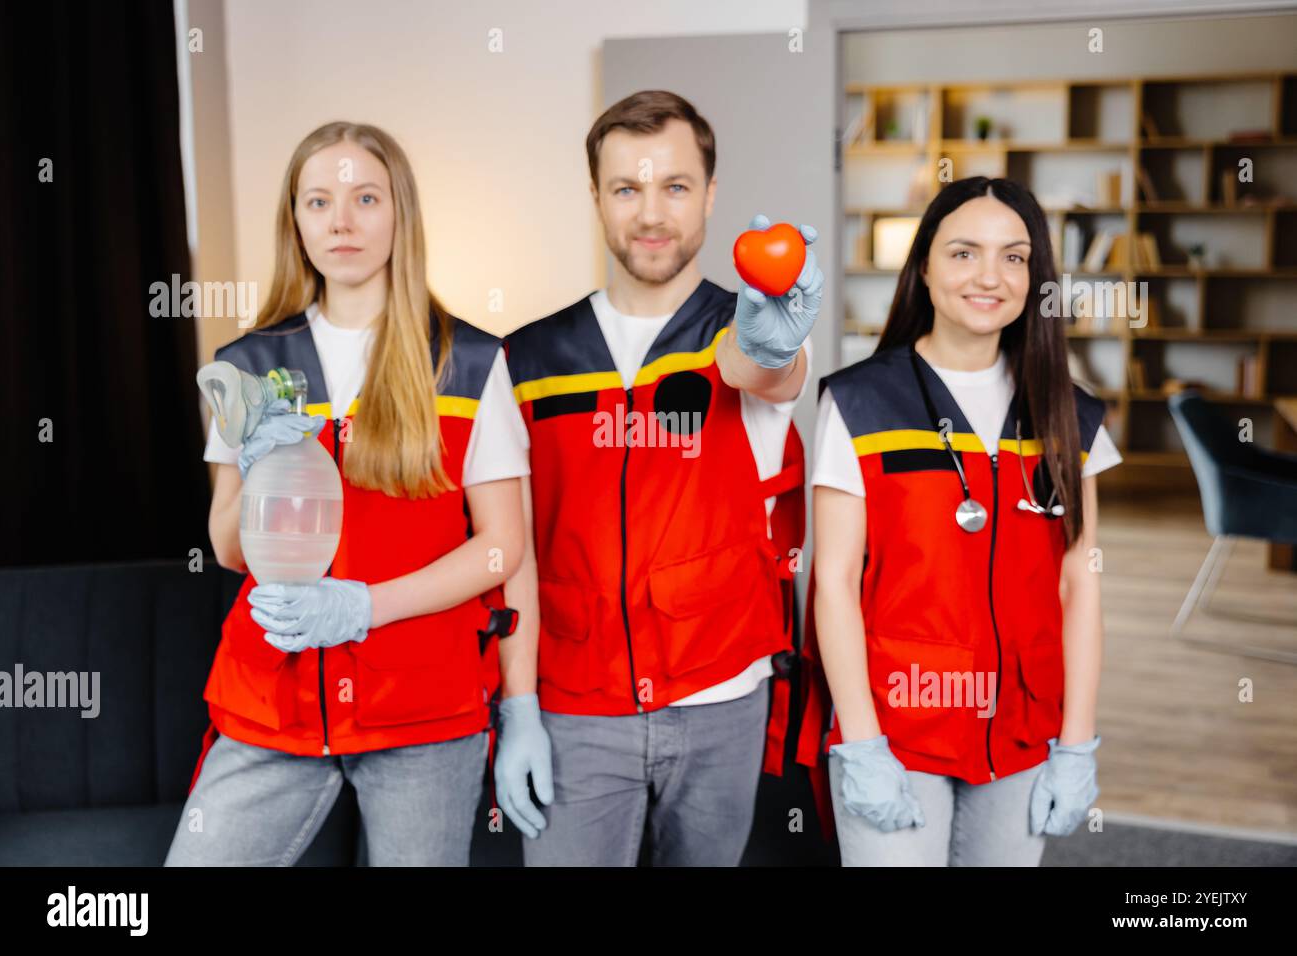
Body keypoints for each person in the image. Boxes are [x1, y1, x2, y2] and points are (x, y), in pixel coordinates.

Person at [165, 121, 546, 866]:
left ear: (399, 213)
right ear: (296, 222)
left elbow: (503, 546)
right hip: (273, 701)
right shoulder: (248, 366)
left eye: (365, 198)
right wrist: (266, 463)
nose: (341, 220)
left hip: (422, 713)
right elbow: (228, 548)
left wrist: (362, 608)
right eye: (318, 201)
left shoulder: (468, 363)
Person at [500, 90, 822, 866]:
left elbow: (770, 373)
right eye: (627, 188)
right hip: (575, 707)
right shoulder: (526, 362)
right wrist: (516, 708)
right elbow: (509, 552)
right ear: (597, 198)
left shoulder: (740, 336)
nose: (651, 213)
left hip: (721, 704)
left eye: (674, 186)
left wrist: (774, 349)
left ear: (710, 194)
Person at [799, 176, 1120, 866]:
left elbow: (1080, 587)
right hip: (896, 728)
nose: (989, 276)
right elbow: (834, 586)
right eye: (964, 252)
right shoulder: (859, 404)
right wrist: (860, 742)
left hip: (1023, 733)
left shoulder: (1070, 414)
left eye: (1013, 257)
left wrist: (1077, 741)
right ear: (925, 267)